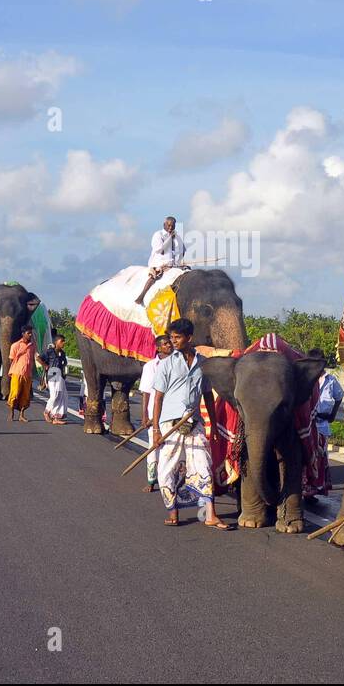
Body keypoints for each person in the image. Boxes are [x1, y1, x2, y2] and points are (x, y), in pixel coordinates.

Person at [150, 319, 234, 530]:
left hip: (194, 421)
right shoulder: (166, 364)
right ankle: (173, 511)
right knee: (167, 468)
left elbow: (207, 394)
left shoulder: (202, 363)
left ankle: (211, 515)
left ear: (189, 338)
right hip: (171, 423)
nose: (173, 341)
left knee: (203, 464)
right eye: (171, 337)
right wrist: (157, 430)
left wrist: (213, 425)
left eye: (177, 337)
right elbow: (158, 397)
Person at [138, 334, 173, 492]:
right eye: (165, 344)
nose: (169, 345)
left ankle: (170, 480)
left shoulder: (179, 363)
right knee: (154, 448)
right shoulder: (151, 366)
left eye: (170, 342)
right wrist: (145, 415)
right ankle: (151, 480)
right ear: (158, 348)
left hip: (173, 413)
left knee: (172, 448)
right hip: (155, 413)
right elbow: (146, 392)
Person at [308, 351, 344, 503]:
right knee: (308, 456)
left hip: (322, 424)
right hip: (308, 424)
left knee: (321, 457)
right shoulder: (307, 378)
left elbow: (339, 396)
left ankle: (316, 489)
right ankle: (306, 488)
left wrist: (333, 415)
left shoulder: (330, 380)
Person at [135, 216, 187, 305]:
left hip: (172, 265)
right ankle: (141, 296)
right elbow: (160, 250)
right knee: (154, 276)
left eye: (173, 226)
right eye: (168, 225)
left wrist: (179, 262)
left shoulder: (176, 237)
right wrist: (170, 238)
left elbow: (183, 250)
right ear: (164, 225)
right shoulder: (158, 235)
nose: (170, 228)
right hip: (158, 265)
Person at [6, 325, 36, 421]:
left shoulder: (32, 346)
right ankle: (11, 413)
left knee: (25, 395)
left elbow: (32, 359)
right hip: (17, 373)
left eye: (31, 333)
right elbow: (11, 360)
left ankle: (22, 415)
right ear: (23, 334)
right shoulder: (15, 345)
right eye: (28, 333)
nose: (30, 335)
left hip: (27, 374)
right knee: (14, 393)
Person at [39, 334, 69, 425]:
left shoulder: (62, 353)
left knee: (61, 396)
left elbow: (64, 364)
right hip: (52, 373)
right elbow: (38, 358)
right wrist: (45, 366)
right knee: (54, 395)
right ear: (56, 342)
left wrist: (64, 374)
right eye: (61, 341)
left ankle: (55, 417)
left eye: (64, 341)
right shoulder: (49, 351)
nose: (63, 343)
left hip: (59, 374)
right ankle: (47, 411)